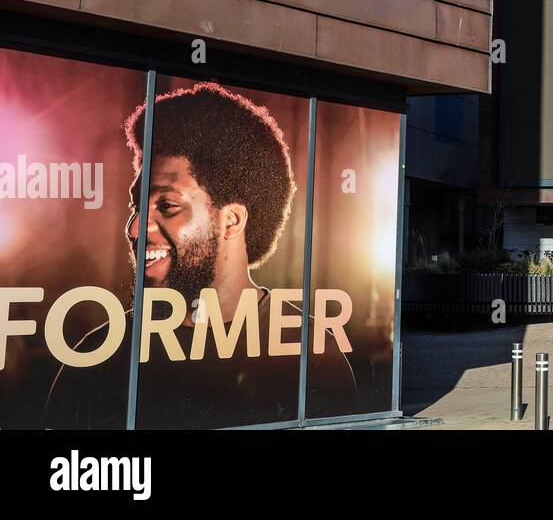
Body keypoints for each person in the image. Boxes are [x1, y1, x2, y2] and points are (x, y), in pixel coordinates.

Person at [45, 82, 357, 429]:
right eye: (137, 206)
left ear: (232, 220)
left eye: (167, 205)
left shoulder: (311, 354)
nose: (134, 230)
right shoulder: (99, 355)